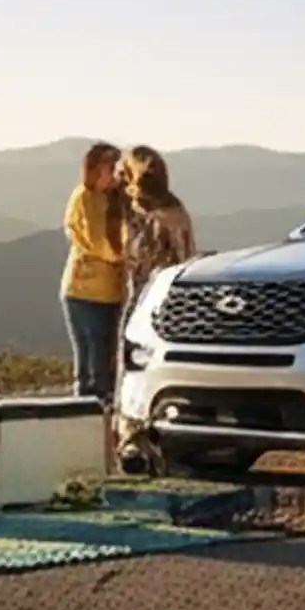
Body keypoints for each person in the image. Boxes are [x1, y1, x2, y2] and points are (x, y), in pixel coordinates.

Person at [115, 144, 197, 474]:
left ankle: (134, 441)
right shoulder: (177, 212)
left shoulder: (153, 220)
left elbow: (137, 257)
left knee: (134, 371)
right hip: (174, 301)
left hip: (148, 302)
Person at [60, 142, 129, 403]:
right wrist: (128, 255)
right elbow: (99, 242)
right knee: (91, 365)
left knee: (106, 362)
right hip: (84, 291)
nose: (113, 175)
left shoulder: (114, 199)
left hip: (110, 292)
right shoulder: (84, 199)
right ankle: (86, 416)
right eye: (109, 169)